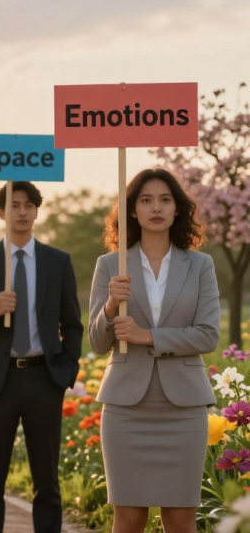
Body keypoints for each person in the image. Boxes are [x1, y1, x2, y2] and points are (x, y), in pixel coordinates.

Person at [88, 168, 219, 533]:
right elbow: (98, 342)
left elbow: (208, 335)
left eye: (165, 200)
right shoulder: (110, 266)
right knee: (128, 518)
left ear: (177, 209)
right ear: (132, 210)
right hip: (126, 410)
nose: (156, 208)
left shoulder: (200, 265)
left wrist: (149, 336)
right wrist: (111, 306)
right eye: (146, 200)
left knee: (180, 519)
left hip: (184, 409)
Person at [0, 181, 83, 533]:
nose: (22, 212)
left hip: (45, 378)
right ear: (1, 213)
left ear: (37, 211)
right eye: (14, 205)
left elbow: (73, 323)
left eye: (29, 205)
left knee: (48, 482)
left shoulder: (57, 262)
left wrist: (67, 369)